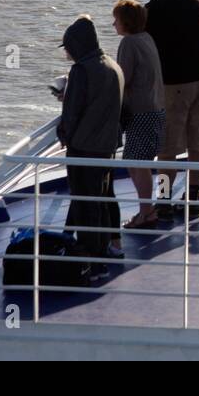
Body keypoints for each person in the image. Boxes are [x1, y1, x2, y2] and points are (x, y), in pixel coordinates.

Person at [146, 0, 199, 220]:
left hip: (171, 85)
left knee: (167, 149)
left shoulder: (151, 9)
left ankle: (163, 200)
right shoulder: (196, 3)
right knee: (197, 144)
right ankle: (193, 199)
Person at [56, 15, 125, 266]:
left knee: (85, 204)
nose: (67, 54)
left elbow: (73, 112)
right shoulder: (112, 65)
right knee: (103, 199)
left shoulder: (81, 70)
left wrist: (65, 135)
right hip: (106, 145)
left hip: (84, 148)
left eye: (68, 48)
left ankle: (90, 260)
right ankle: (107, 250)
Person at [112, 0, 166, 229]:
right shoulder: (147, 38)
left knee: (137, 162)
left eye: (116, 20)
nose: (114, 24)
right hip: (155, 108)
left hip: (141, 112)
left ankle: (147, 211)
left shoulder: (129, 44)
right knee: (137, 161)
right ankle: (149, 209)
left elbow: (122, 78)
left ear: (126, 22)